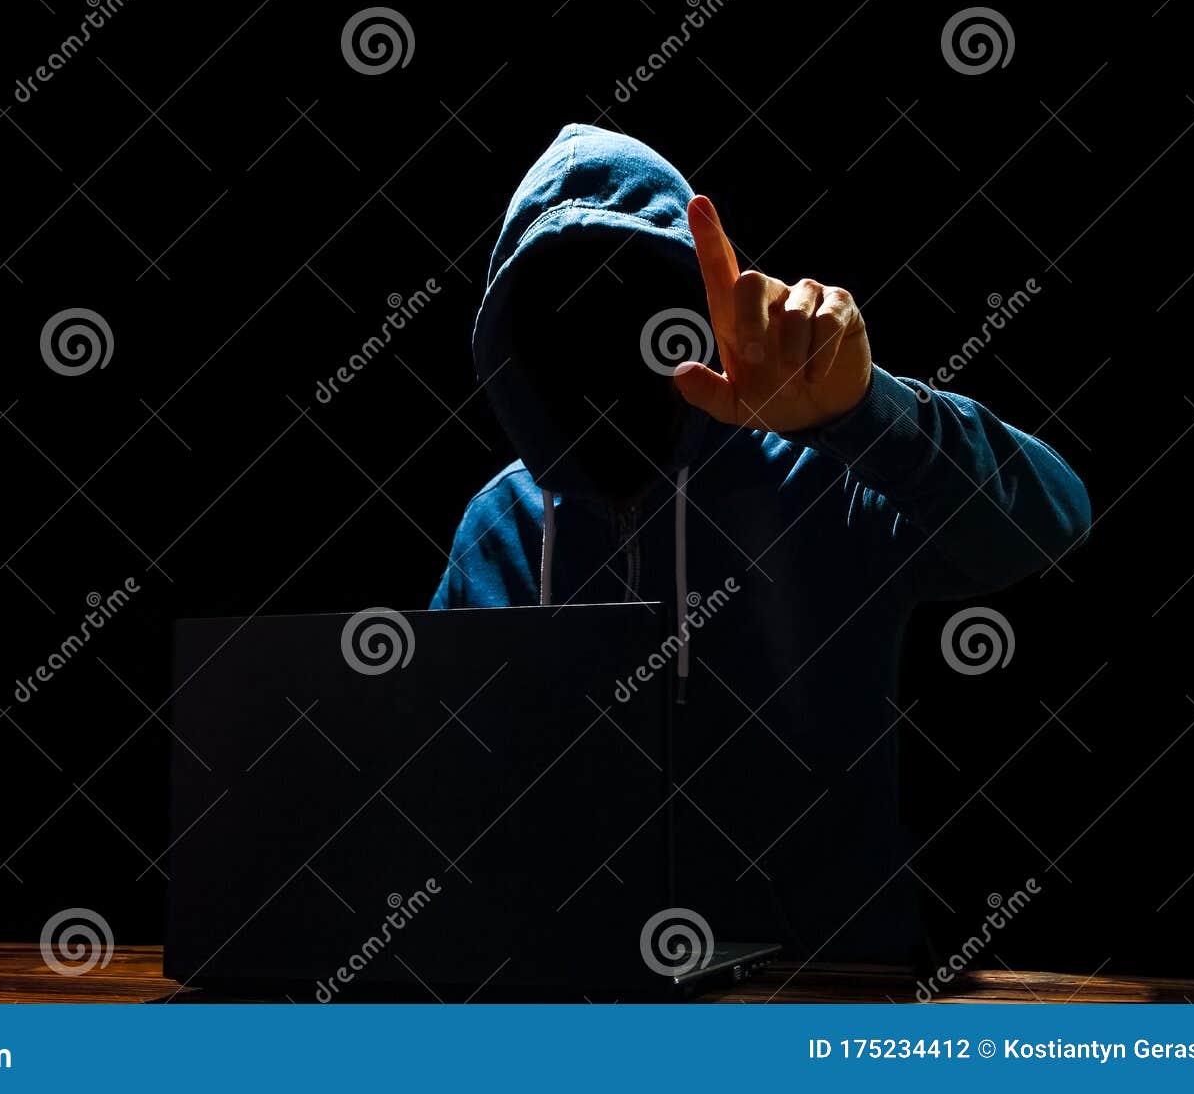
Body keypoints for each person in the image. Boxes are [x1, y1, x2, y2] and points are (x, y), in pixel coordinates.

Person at [430, 124, 1090, 966]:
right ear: (513, 350)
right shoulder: (497, 527)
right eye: (561, 316)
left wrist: (864, 413)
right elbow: (447, 795)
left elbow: (1051, 518)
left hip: (835, 997)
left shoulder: (821, 469)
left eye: (630, 300)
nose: (599, 348)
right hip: (577, 1007)